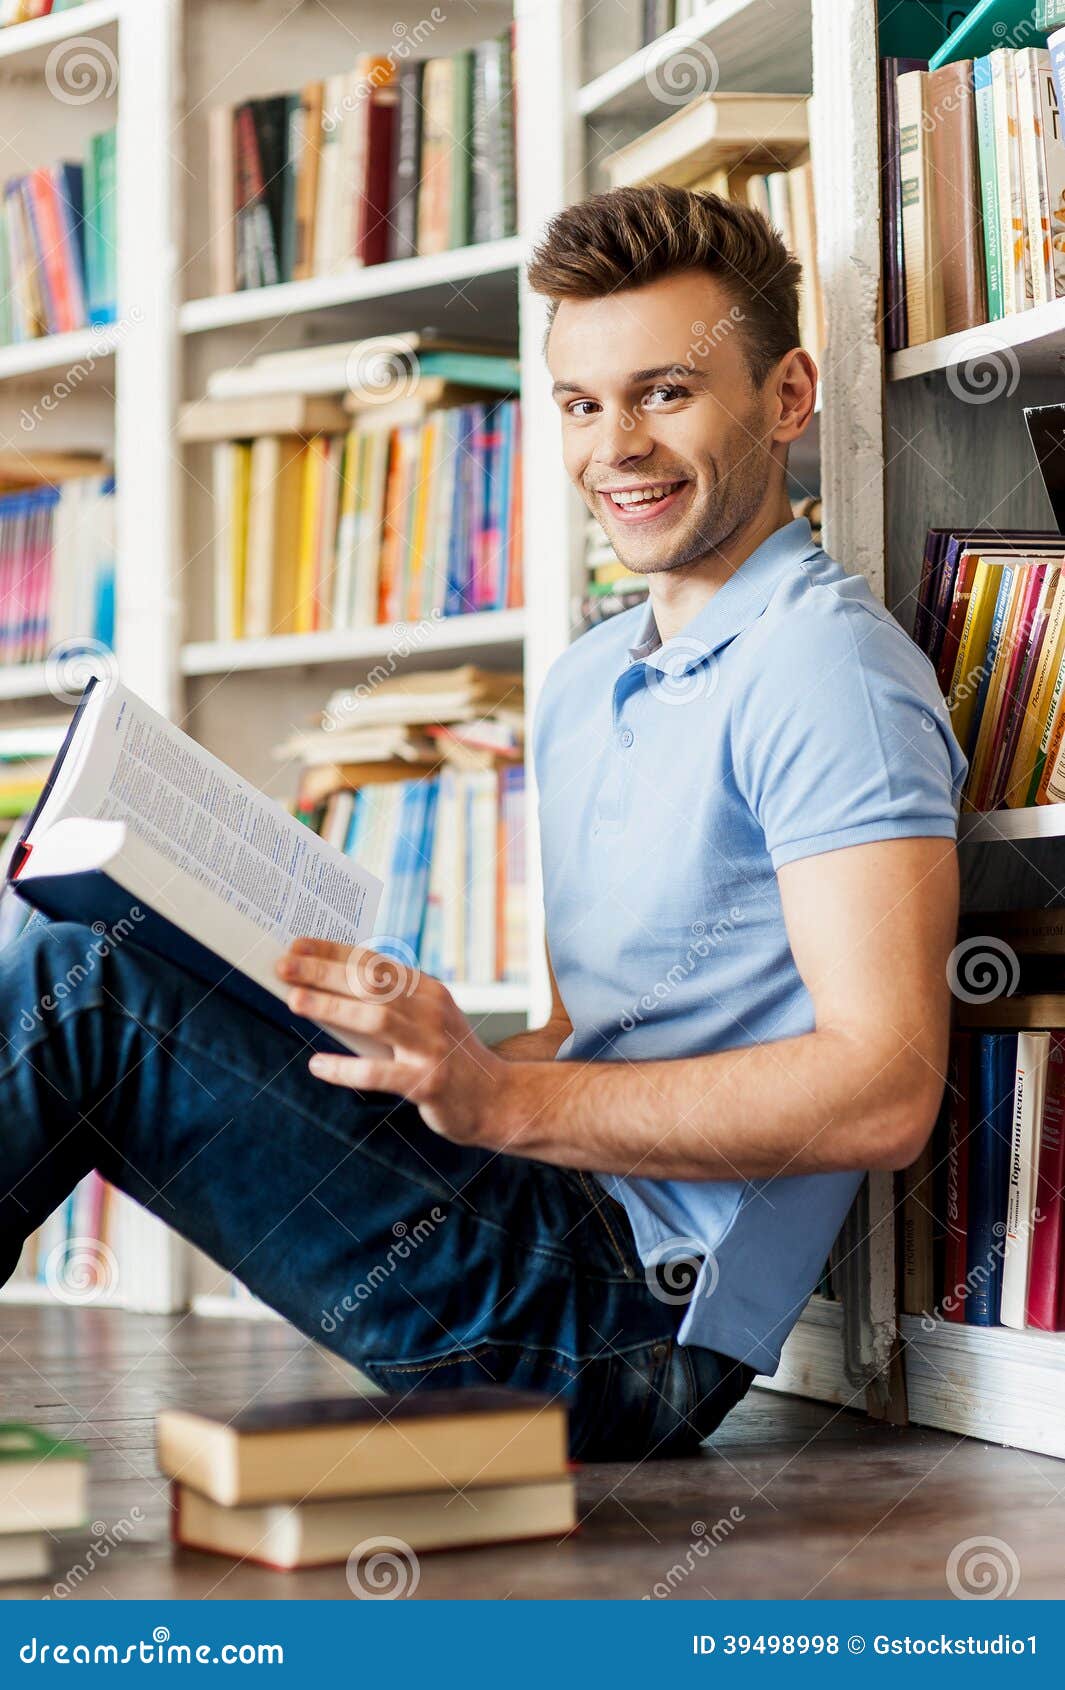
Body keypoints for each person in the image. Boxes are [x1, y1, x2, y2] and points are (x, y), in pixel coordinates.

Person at [0, 185, 965, 1462]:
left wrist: (497, 1097)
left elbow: (884, 1085)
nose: (615, 444)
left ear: (787, 398)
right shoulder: (584, 681)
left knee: (88, 987)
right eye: (581, 403)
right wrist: (419, 1065)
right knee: (89, 933)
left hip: (633, 1323)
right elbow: (585, 1034)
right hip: (540, 1212)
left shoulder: (826, 669)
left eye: (666, 392)